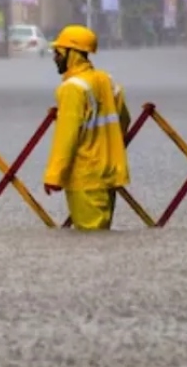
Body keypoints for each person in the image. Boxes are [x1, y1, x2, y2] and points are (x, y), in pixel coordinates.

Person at [42, 25, 131, 231]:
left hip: (85, 176)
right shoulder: (106, 81)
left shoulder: (73, 88)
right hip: (108, 172)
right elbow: (124, 119)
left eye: (58, 52)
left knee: (91, 241)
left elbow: (67, 137)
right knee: (102, 238)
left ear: (71, 54)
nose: (54, 57)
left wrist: (54, 176)